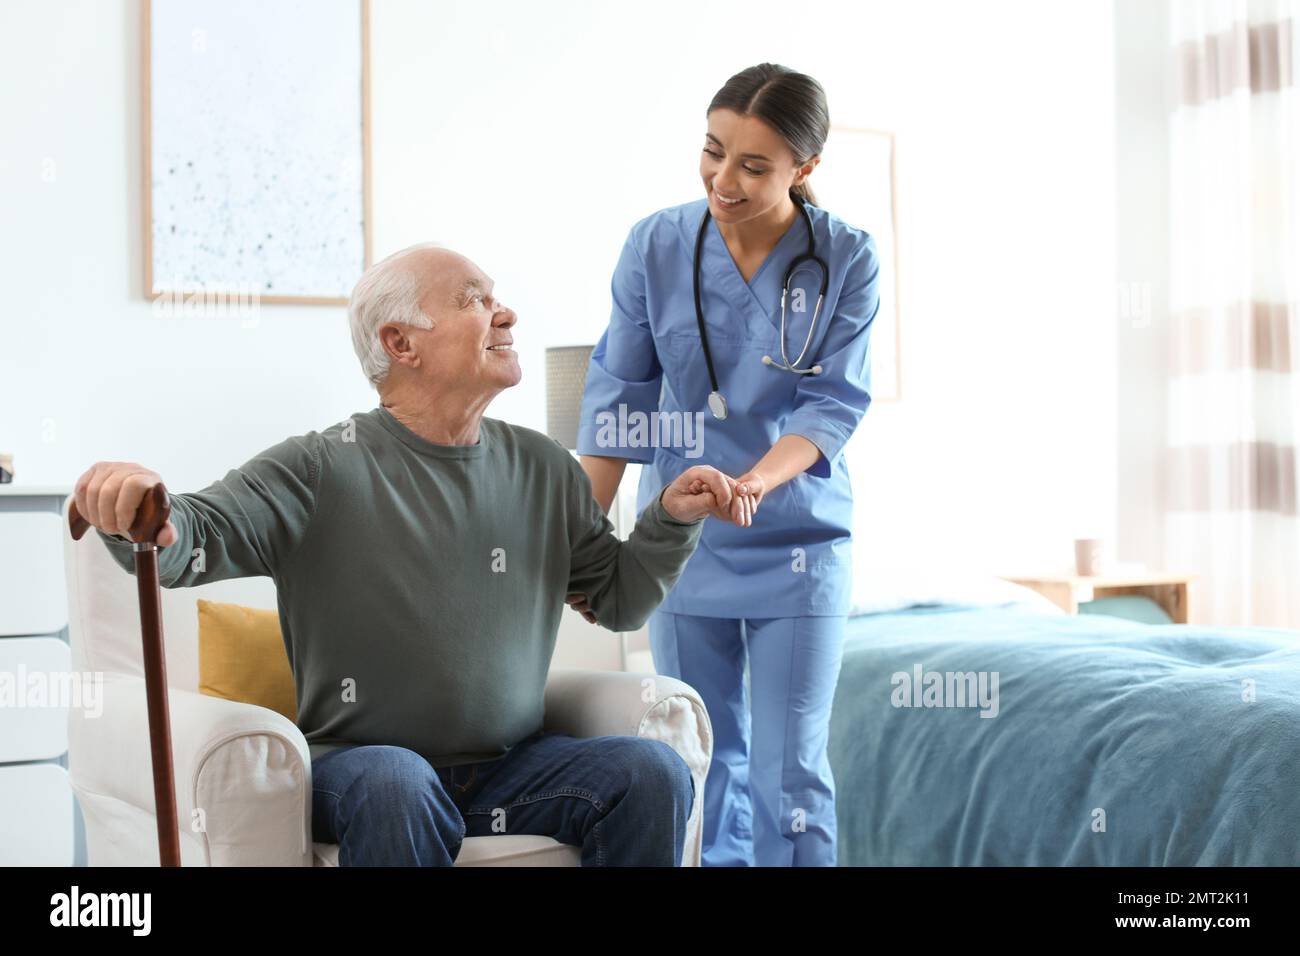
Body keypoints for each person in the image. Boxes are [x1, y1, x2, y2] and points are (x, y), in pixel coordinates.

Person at [73, 243, 742, 866]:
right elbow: (190, 538)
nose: (504, 312)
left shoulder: (543, 467)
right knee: (398, 781)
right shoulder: (319, 466)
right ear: (401, 344)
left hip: (516, 766)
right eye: (475, 300)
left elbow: (618, 601)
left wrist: (670, 521)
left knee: (651, 771)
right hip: (363, 769)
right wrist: (135, 509)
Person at [573, 64, 881, 866]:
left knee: (792, 776)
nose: (725, 178)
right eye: (714, 152)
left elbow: (833, 404)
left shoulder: (846, 258)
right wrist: (577, 542)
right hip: (680, 540)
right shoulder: (657, 244)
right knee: (699, 763)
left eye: (754, 165)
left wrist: (756, 482)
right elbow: (621, 394)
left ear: (804, 170)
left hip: (798, 541)